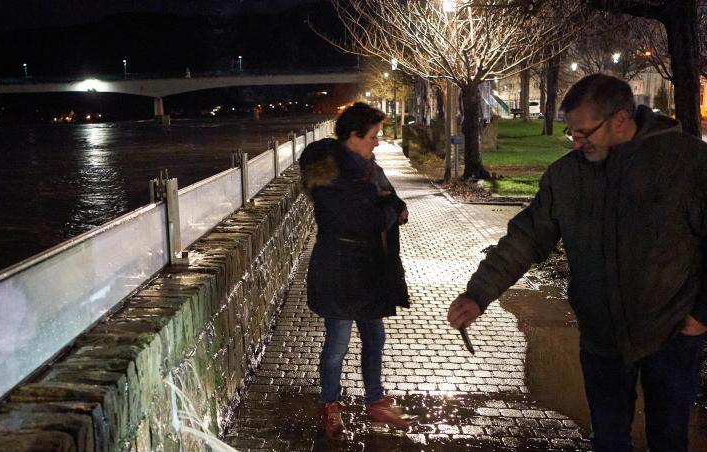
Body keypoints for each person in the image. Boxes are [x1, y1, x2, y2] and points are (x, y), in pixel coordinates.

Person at [447, 73, 707, 452]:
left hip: (671, 334)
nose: (576, 142)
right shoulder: (567, 176)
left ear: (621, 119)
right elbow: (527, 237)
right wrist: (478, 294)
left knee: (669, 440)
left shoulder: (686, 163)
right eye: (572, 133)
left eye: (585, 132)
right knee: (608, 441)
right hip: (601, 339)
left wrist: (700, 314)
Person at [298, 102, 415, 438]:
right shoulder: (331, 174)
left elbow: (390, 199)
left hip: (368, 269)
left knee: (375, 336)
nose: (377, 142)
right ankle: (330, 406)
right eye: (373, 136)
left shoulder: (366, 166)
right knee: (338, 342)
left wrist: (392, 206)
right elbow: (363, 220)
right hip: (339, 269)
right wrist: (392, 211)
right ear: (354, 135)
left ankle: (376, 402)